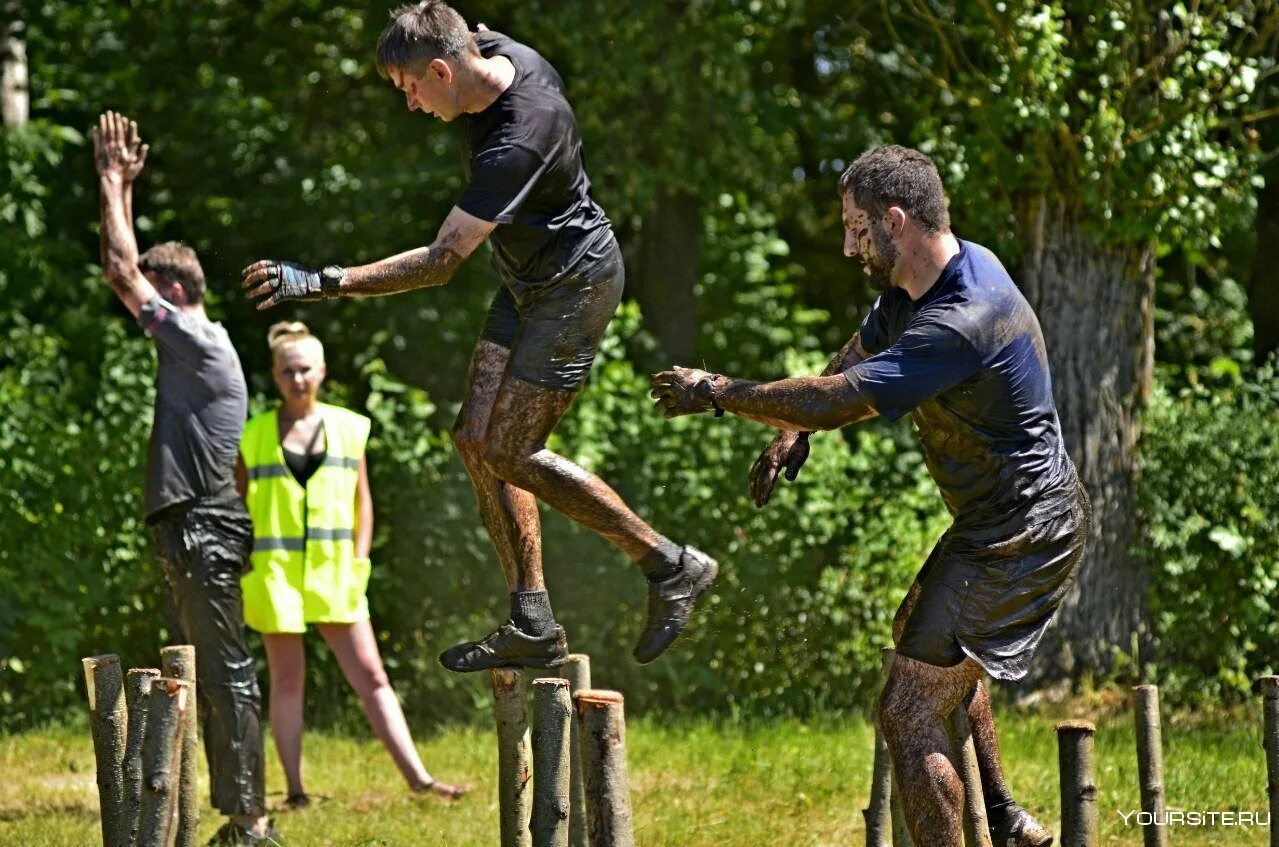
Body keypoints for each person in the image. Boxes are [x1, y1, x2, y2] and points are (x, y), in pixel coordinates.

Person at [240, 1, 717, 673]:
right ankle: (532, 618)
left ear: (440, 71)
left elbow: (438, 263)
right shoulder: (481, 48)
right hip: (523, 278)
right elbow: (448, 16)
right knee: (475, 440)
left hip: (574, 283)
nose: (409, 107)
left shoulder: (520, 135)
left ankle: (670, 563)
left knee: (511, 450)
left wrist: (322, 281)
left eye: (410, 89)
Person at [650, 145, 1089, 847]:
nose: (846, 244)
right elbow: (853, 358)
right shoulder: (923, 287)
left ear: (895, 220)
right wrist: (793, 431)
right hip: (1004, 523)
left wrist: (714, 391)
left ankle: (997, 824)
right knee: (922, 641)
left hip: (1024, 530)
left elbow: (843, 399)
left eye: (856, 228)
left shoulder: (962, 317)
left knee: (907, 709)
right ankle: (1005, 819)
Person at [91, 111, 276, 846]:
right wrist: (127, 193)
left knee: (228, 673)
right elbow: (127, 267)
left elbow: (119, 269)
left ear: (170, 288)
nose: (133, 302)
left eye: (146, 291)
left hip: (203, 524)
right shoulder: (201, 344)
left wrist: (109, 180)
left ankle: (251, 823)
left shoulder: (196, 339)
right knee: (201, 672)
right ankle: (226, 816)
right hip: (193, 524)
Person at [234, 322, 468, 805]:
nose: (297, 379)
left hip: (337, 574)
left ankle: (421, 782)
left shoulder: (348, 427)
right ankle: (295, 791)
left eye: (305, 369)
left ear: (321, 370)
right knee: (287, 681)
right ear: (275, 376)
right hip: (275, 577)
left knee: (373, 678)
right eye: (287, 371)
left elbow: (364, 504)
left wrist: (359, 560)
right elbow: (237, 505)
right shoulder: (252, 435)